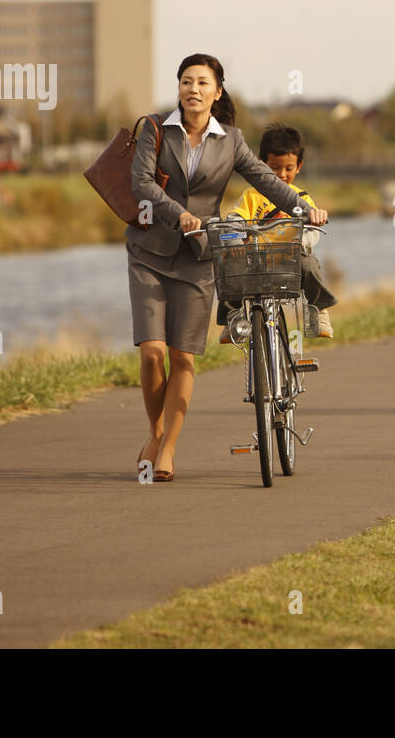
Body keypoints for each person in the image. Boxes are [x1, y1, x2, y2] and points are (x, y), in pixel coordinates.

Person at [126, 54, 328, 483]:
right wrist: (177, 213)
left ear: (217, 92)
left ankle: (169, 451)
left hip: (200, 256)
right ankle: (155, 431)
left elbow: (267, 180)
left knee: (182, 357)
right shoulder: (155, 130)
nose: (193, 89)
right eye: (186, 81)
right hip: (149, 252)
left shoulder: (231, 140)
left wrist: (305, 208)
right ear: (178, 88)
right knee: (151, 353)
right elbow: (140, 184)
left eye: (202, 82)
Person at [222, 122, 338, 340]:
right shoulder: (252, 195)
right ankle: (233, 317)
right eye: (274, 168)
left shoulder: (302, 199)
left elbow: (312, 229)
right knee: (229, 266)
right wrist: (234, 240)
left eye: (288, 168)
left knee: (309, 264)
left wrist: (304, 236)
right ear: (260, 164)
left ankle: (319, 310)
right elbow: (235, 218)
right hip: (255, 260)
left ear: (299, 166)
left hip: (290, 260)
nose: (281, 174)